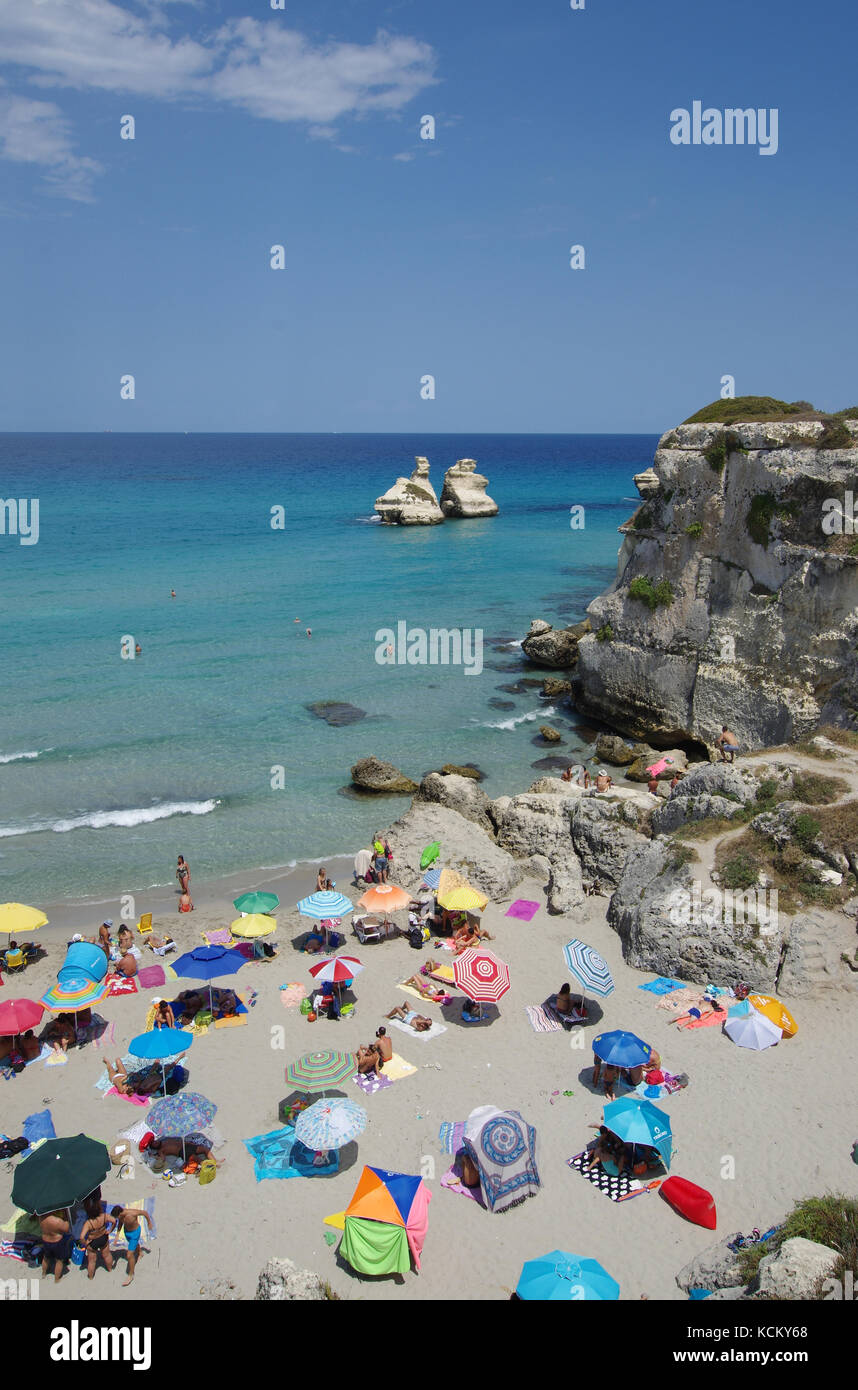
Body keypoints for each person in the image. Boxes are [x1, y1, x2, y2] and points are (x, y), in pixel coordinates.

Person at [109, 1205, 151, 1285]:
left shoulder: (132, 1213)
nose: (117, 1219)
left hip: (135, 1233)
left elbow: (144, 1213)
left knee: (129, 1255)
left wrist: (149, 1223)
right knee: (134, 1245)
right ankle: (140, 1253)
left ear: (120, 1214)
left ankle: (131, 1275)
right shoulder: (121, 1216)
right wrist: (117, 1235)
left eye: (117, 1217)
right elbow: (120, 1223)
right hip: (127, 1233)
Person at [80, 1195, 114, 1280]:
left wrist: (85, 1243)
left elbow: (81, 1237)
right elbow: (114, 1221)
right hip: (103, 1238)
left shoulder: (88, 1223)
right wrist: (110, 1230)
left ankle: (91, 1277)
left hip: (93, 1241)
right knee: (107, 1255)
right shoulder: (104, 1216)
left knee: (92, 1261)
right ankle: (110, 1269)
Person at [39, 1210, 71, 1283]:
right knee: (59, 1261)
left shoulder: (41, 1217)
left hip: (45, 1240)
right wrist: (66, 1216)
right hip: (57, 1242)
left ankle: (44, 1273)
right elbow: (67, 1229)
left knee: (46, 1258)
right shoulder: (58, 1221)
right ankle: (57, 1279)